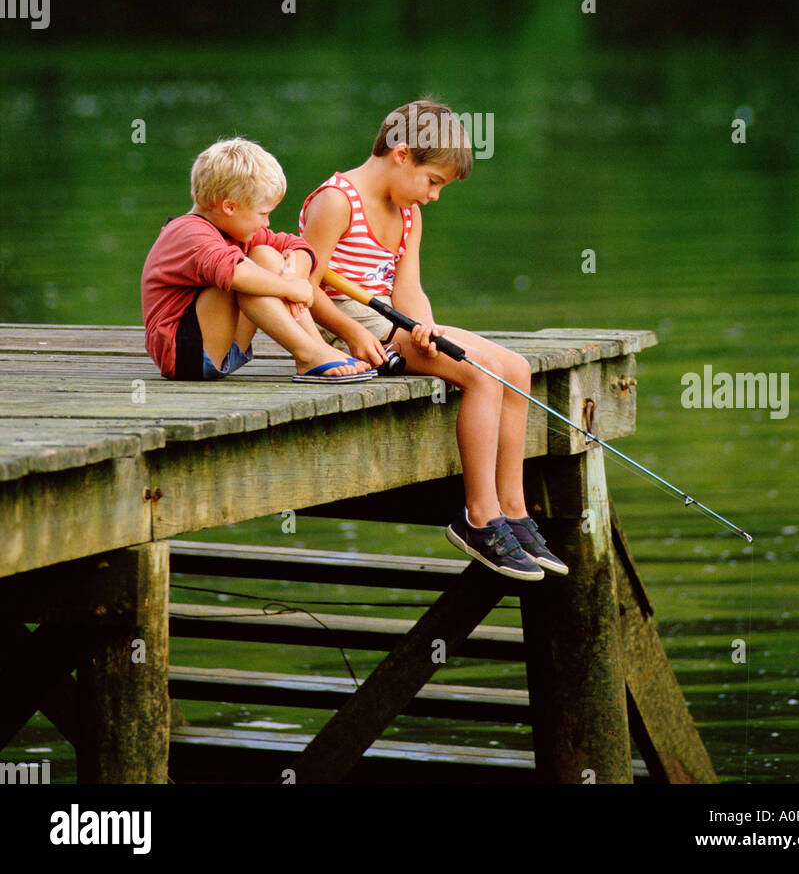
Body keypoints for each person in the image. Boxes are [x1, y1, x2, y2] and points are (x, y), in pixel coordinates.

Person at [298, 99, 568, 581]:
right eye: (434, 181)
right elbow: (304, 288)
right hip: (344, 332)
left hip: (391, 321)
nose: (434, 195)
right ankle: (479, 518)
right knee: (481, 379)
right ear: (401, 155)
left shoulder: (407, 215)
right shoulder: (336, 201)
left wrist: (427, 327)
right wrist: (355, 333)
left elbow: (409, 291)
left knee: (517, 369)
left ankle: (514, 509)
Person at [141, 137, 376, 383]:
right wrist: (289, 288)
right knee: (245, 275)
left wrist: (291, 276)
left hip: (223, 348)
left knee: (264, 254)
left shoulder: (235, 229)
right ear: (229, 207)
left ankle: (314, 349)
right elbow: (237, 275)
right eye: (263, 214)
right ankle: (309, 352)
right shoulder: (188, 233)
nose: (267, 223)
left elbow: (299, 246)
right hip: (185, 356)